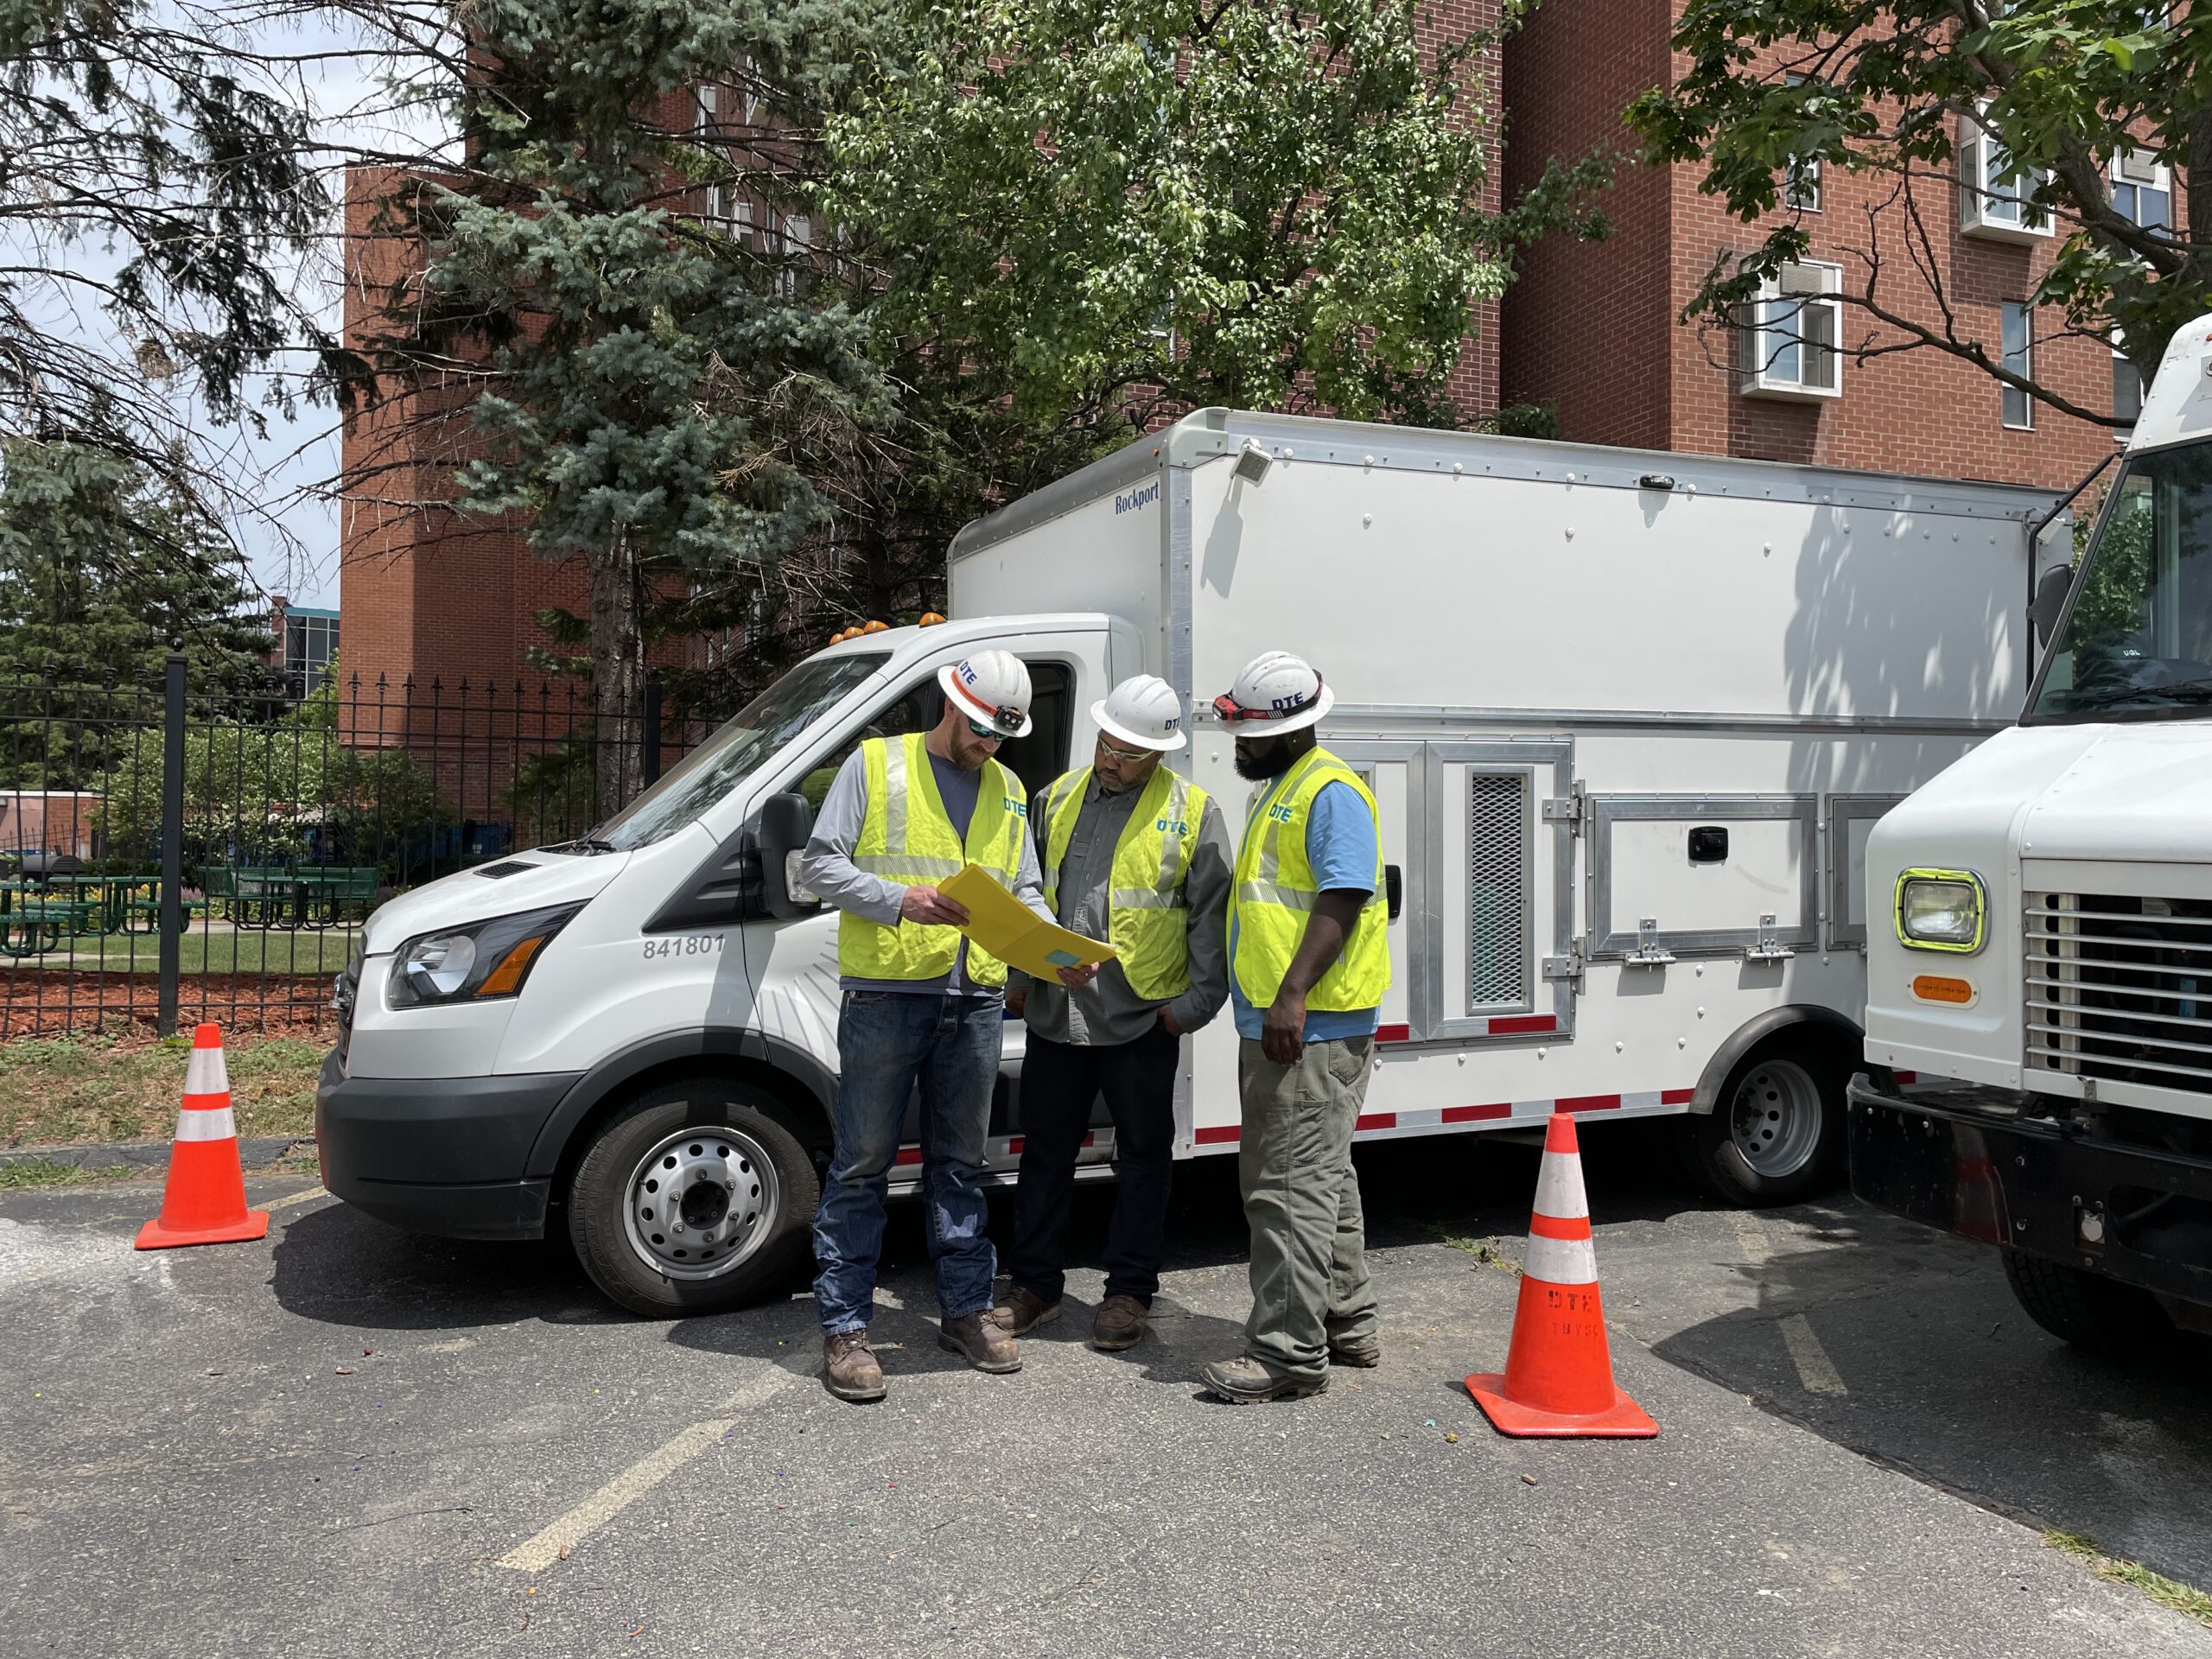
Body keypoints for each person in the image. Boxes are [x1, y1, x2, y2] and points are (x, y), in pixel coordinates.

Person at [798, 648, 1096, 1402]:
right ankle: (845, 1330)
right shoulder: (875, 765)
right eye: (980, 730)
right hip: (887, 992)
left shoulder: (1007, 786)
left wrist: (1055, 950)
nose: (989, 745)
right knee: (863, 1163)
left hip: (976, 996)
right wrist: (903, 900)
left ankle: (965, 1312)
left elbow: (1022, 887)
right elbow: (819, 867)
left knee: (961, 1164)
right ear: (951, 705)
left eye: (1002, 734)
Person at [994, 675, 1232, 1352]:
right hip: (1056, 1014)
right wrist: (1019, 973)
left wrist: (1194, 1006)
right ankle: (1034, 1287)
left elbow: (1212, 916)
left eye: (1127, 752)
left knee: (1145, 1159)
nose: (1109, 759)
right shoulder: (1057, 798)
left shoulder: (1193, 811)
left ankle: (1129, 1293)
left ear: (1160, 754)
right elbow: (1027, 893)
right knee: (1044, 1156)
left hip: (1141, 1019)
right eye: (1105, 743)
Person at [1198, 651, 1392, 1404]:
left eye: (1248, 731)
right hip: (1294, 1020)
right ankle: (1347, 1321)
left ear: (1290, 728)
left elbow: (1343, 896)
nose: (1237, 742)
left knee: (1286, 1187)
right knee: (1323, 1176)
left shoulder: (1329, 791)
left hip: (1310, 1023)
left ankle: (1286, 1355)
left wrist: (1291, 997)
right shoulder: (1284, 787)